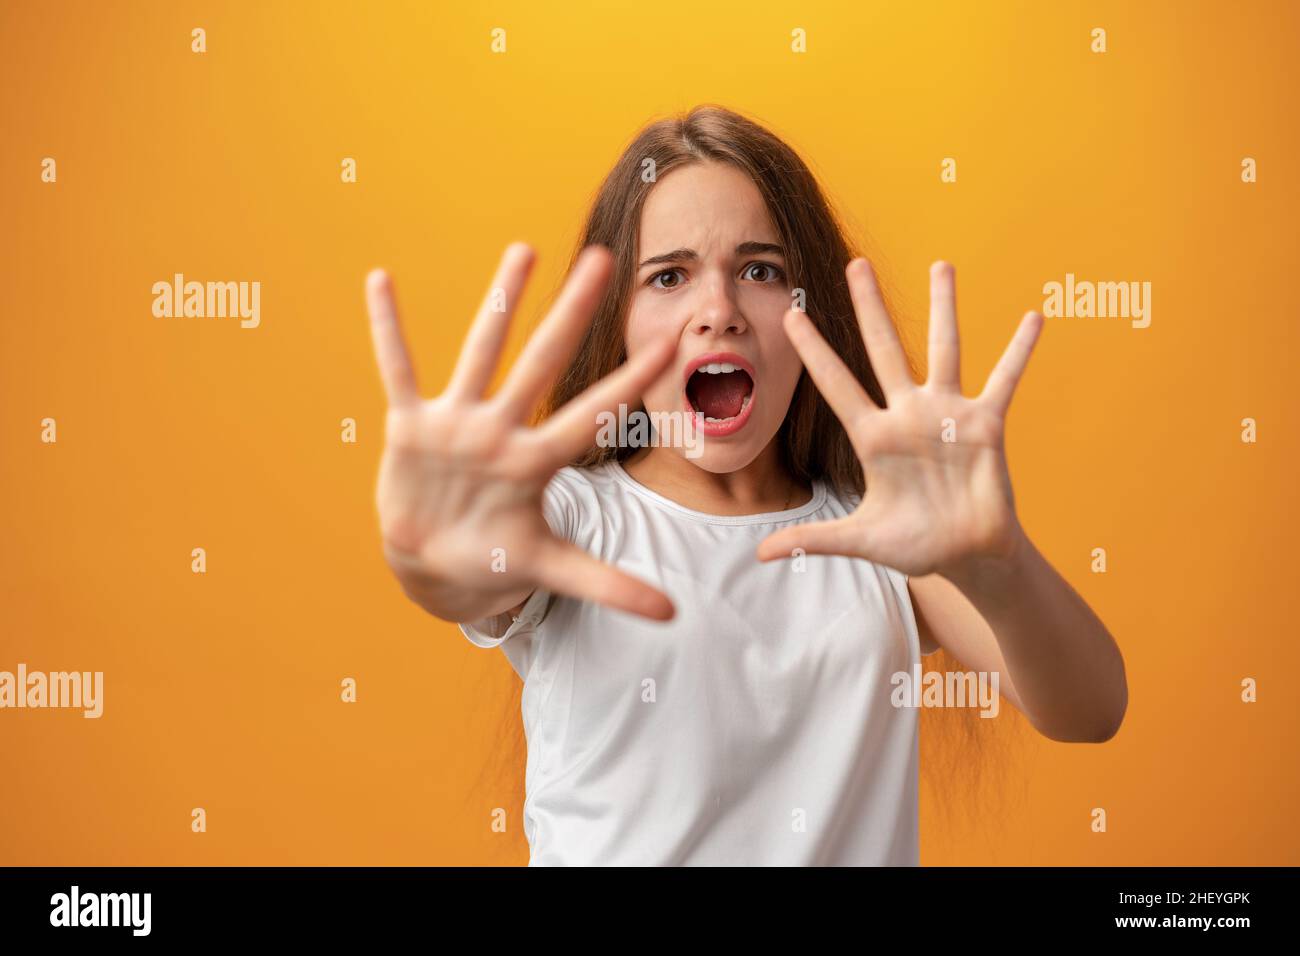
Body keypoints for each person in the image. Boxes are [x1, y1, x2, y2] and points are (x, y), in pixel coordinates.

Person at [363, 105, 1128, 865]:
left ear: (812, 311)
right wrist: (434, 545)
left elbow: (1090, 709)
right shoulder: (574, 517)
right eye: (669, 277)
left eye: (760, 271)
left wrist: (998, 562)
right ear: (618, 324)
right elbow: (462, 576)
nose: (719, 312)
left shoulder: (883, 530)